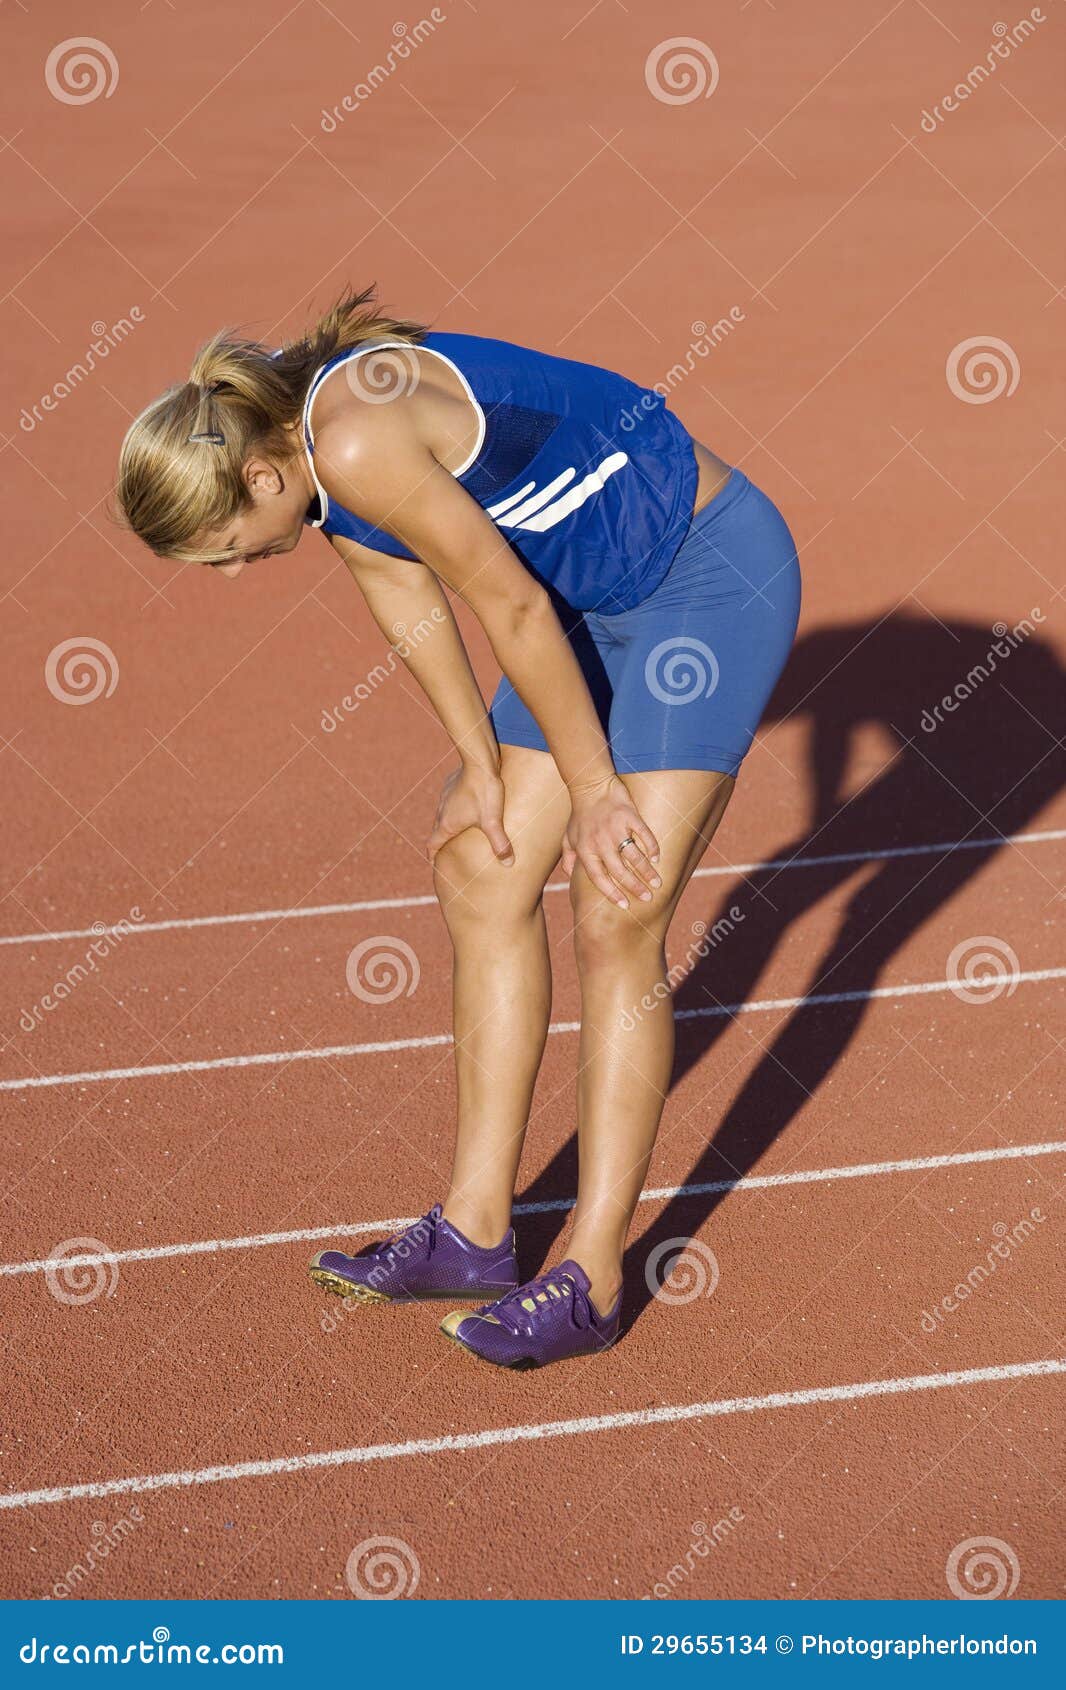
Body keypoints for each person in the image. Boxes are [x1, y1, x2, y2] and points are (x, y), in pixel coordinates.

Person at [117, 286, 800, 1369]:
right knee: (477, 865)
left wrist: (594, 791)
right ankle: (477, 1232)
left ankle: (590, 1274)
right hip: (579, 597)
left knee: (617, 907)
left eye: (232, 548)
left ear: (258, 478)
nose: (242, 571)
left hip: (698, 582)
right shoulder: (291, 435)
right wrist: (481, 769)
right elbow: (405, 590)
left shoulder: (347, 436)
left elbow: (511, 611)